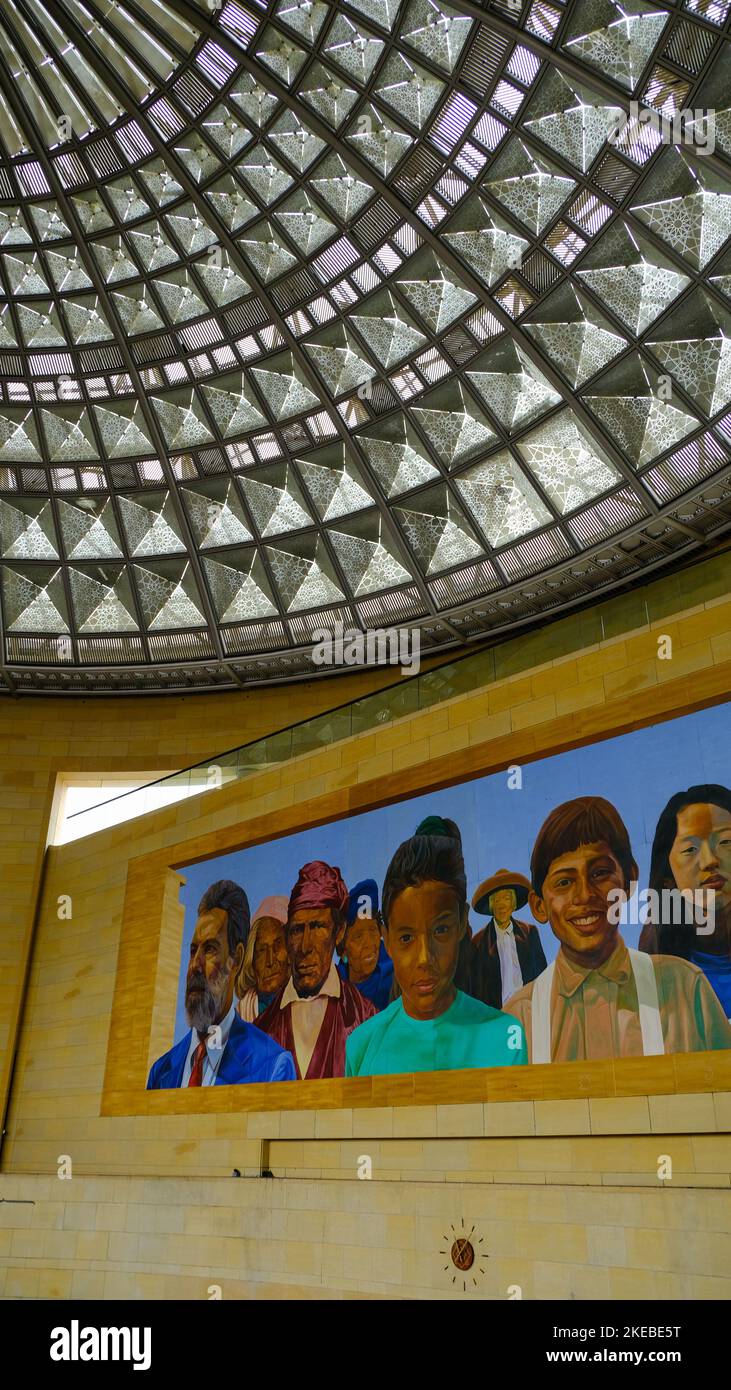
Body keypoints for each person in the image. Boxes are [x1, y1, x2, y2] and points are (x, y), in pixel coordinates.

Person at [503, 797, 731, 1063]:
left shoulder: (685, 986)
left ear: (628, 882)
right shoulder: (519, 1018)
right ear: (538, 905)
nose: (585, 895)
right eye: (564, 882)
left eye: (599, 873)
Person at [345, 815, 527, 1077]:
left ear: (462, 923)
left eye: (440, 931)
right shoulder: (361, 1046)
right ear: (386, 937)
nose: (424, 958)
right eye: (406, 938)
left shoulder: (505, 1037)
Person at [147, 879, 296, 1088]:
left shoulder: (272, 1067)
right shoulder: (161, 1071)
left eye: (210, 949)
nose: (194, 966)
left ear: (237, 958)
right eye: (193, 951)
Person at [255, 861, 375, 1079]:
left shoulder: (366, 1019)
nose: (305, 946)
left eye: (318, 927)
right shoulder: (261, 1029)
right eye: (297, 930)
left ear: (338, 933)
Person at [639, 784, 731, 1019]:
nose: (709, 861)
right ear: (668, 878)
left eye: (725, 842)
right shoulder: (657, 958)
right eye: (691, 849)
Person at [469, 868, 547, 1008]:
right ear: (492, 905)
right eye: (497, 899)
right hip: (496, 1017)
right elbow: (476, 990)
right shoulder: (478, 943)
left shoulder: (530, 933)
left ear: (513, 904)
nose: (502, 905)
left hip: (528, 1009)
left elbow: (542, 977)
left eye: (506, 898)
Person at [336, 878, 394, 1012]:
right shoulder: (333, 987)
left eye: (373, 930)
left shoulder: (396, 977)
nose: (369, 943)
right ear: (343, 950)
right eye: (358, 936)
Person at [236, 895, 290, 1022]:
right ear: (252, 960)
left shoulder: (312, 1005)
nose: (270, 961)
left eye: (277, 945)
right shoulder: (239, 1018)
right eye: (261, 950)